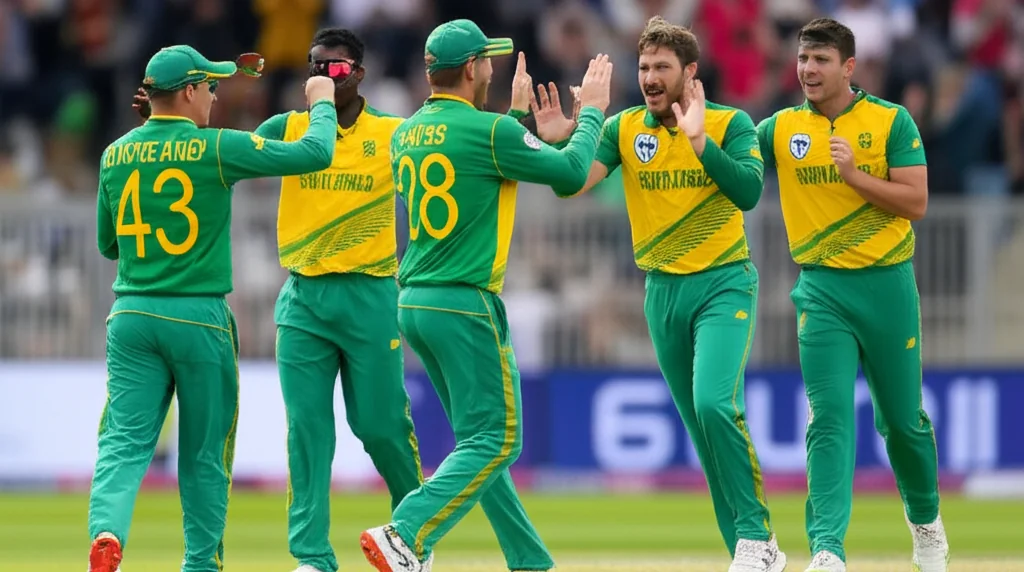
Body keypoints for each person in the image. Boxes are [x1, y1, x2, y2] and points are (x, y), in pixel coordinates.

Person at [530, 16, 785, 572]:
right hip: (661, 292)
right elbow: (573, 183)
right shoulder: (623, 129)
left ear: (689, 72)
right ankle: (746, 553)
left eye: (661, 67)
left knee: (716, 404)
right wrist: (552, 144)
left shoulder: (729, 122)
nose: (649, 76)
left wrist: (698, 142)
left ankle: (760, 539)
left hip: (723, 282)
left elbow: (746, 192)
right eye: (644, 67)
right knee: (701, 431)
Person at [358, 19, 613, 572]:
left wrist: (517, 123)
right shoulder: (488, 132)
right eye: (487, 61)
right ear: (472, 69)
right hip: (463, 301)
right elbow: (571, 174)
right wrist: (591, 111)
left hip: (417, 301)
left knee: (476, 444)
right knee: (498, 441)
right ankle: (406, 531)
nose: (494, 69)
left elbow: (472, 173)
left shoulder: (406, 132)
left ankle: (529, 560)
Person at [88, 45, 338, 572]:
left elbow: (110, 246)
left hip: (131, 316)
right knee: (204, 454)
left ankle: (107, 532)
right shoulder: (215, 148)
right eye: (210, 86)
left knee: (123, 442)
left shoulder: (115, 154)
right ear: (187, 92)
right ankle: (201, 564)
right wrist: (322, 102)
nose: (215, 95)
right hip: (198, 318)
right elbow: (315, 154)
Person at [755, 18, 948, 572]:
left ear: (848, 67)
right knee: (829, 417)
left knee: (902, 422)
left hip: (887, 284)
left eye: (820, 60)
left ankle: (927, 524)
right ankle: (827, 550)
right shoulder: (781, 125)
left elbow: (916, 203)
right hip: (821, 289)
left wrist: (855, 176)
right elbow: (729, 145)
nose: (808, 70)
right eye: (802, 59)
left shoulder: (890, 120)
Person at [250, 28, 427, 572]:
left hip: (370, 295)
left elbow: (444, 170)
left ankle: (413, 536)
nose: (324, 78)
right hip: (303, 298)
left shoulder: (393, 134)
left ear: (360, 73)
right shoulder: (289, 127)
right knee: (308, 432)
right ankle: (312, 557)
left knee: (381, 427)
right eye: (315, 67)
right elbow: (225, 157)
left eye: (336, 68)